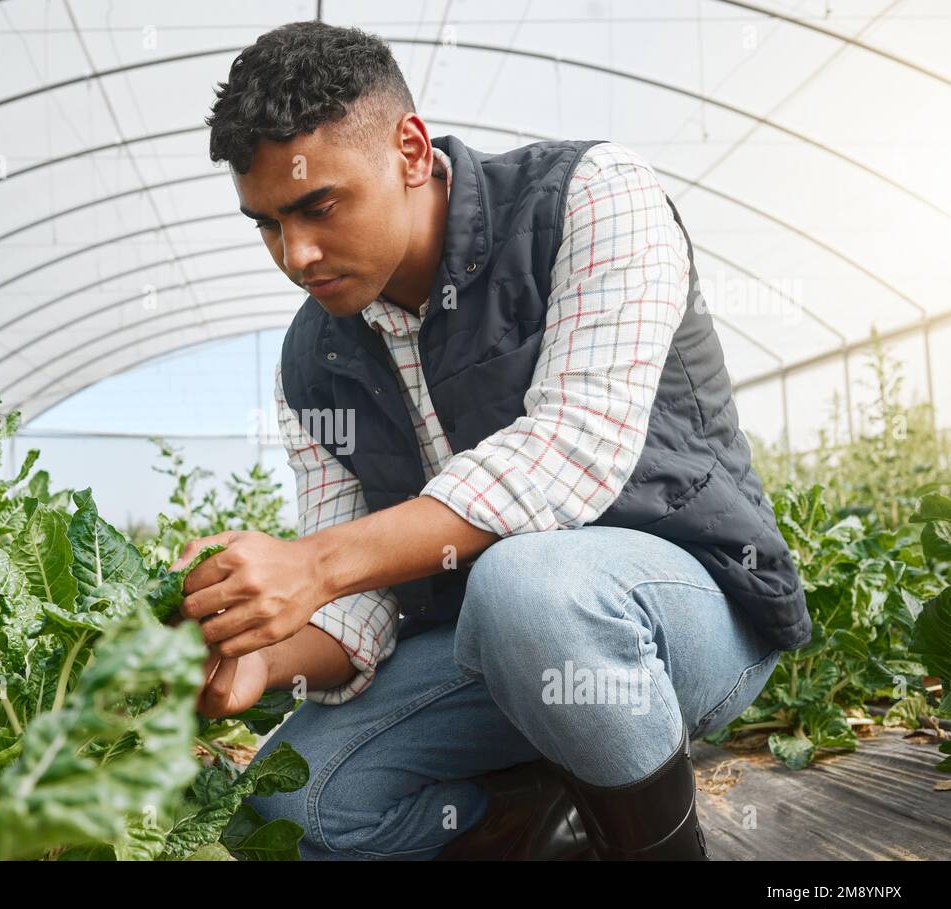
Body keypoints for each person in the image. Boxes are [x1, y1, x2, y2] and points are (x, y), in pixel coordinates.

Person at [170, 20, 810, 861]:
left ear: (408, 148)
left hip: (676, 614)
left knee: (528, 586)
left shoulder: (589, 195)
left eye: (317, 207)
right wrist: (259, 657)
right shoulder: (311, 358)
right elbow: (359, 607)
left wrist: (312, 563)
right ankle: (554, 808)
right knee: (293, 804)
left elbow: (572, 450)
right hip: (484, 651)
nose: (297, 254)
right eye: (265, 225)